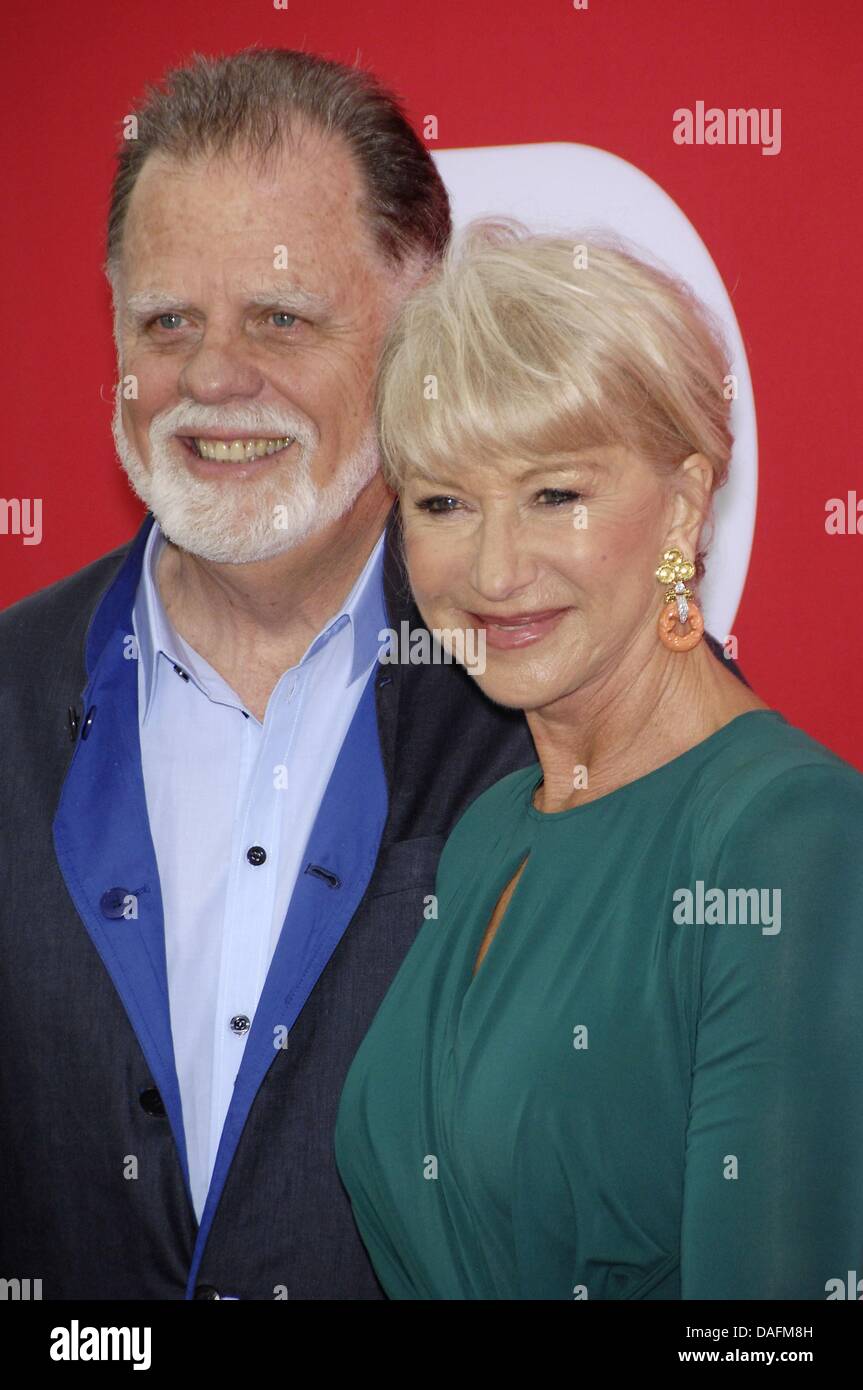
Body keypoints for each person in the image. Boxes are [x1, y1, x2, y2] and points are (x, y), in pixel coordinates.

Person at [0, 48, 546, 1301]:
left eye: (281, 318)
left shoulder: (543, 705)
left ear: (418, 331)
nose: (209, 377)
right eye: (167, 321)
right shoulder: (10, 694)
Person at [334, 220, 863, 1299]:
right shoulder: (489, 830)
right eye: (441, 502)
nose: (492, 564)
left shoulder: (787, 837)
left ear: (680, 505)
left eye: (554, 494)